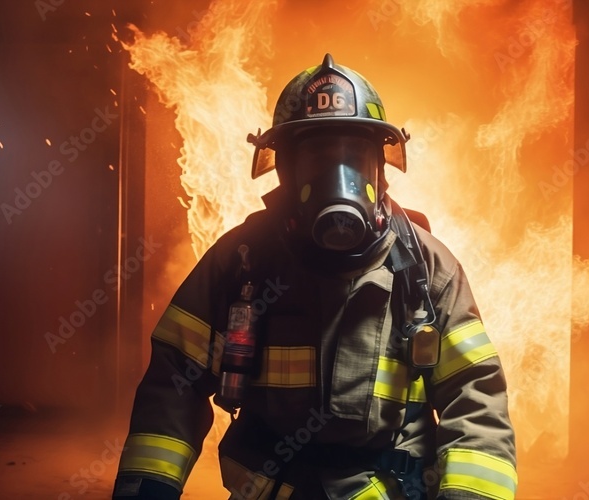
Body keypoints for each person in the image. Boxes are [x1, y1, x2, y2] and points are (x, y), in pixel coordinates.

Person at [113, 53, 517, 500]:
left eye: (353, 154)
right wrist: (145, 491)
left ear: (379, 167)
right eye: (316, 156)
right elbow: (173, 384)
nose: (336, 178)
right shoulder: (243, 260)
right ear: (285, 168)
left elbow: (476, 400)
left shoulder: (425, 268)